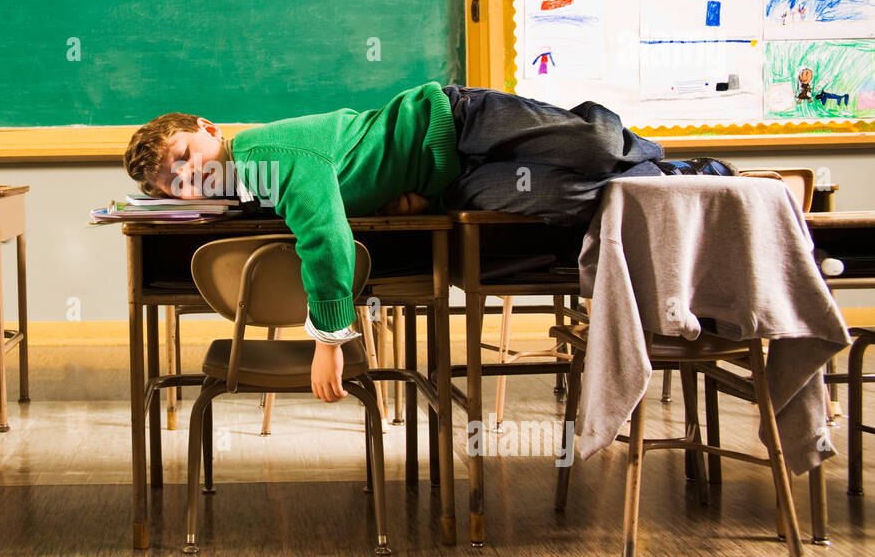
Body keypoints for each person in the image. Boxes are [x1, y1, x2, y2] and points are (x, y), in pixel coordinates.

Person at [123, 82, 691, 403]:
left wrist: (329, 340)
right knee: (563, 200)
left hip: (453, 120)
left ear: (209, 128)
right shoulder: (246, 189)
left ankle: (672, 167)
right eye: (172, 182)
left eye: (183, 155)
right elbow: (343, 187)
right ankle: (681, 183)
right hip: (449, 183)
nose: (187, 175)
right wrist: (395, 192)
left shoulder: (264, 156)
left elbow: (324, 236)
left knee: (592, 142)